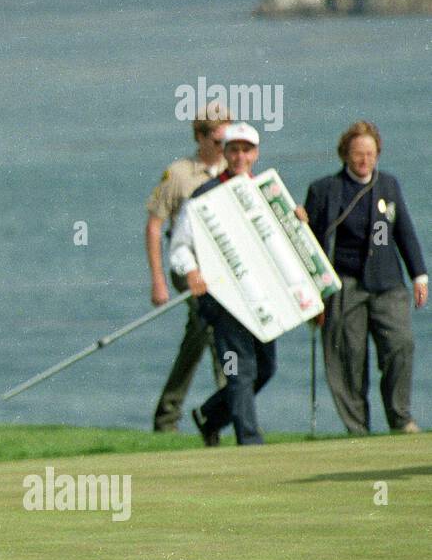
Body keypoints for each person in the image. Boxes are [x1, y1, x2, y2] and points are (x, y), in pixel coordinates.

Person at [302, 121, 427, 434]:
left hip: (387, 284)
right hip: (344, 287)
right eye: (358, 154)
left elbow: (404, 231)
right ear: (345, 154)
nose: (364, 160)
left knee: (401, 346)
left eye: (370, 154)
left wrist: (420, 275)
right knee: (348, 358)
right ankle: (357, 429)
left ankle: (400, 419)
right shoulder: (323, 190)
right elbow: (308, 244)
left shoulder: (389, 185)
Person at [169, 123, 275, 446]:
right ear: (224, 153)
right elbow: (180, 247)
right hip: (223, 298)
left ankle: (210, 416)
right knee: (239, 368)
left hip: (262, 298)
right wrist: (192, 273)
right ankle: (250, 442)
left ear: (255, 154)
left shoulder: (268, 192)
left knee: (265, 368)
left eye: (246, 150)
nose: (240, 156)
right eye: (233, 150)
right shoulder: (203, 196)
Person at [144, 106, 231, 431]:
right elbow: (154, 226)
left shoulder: (231, 169)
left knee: (199, 337)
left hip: (222, 270)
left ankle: (170, 414)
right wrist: (158, 282)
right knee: (213, 330)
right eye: (219, 140)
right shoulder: (179, 174)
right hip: (188, 268)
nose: (225, 148)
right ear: (200, 137)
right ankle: (227, 410)